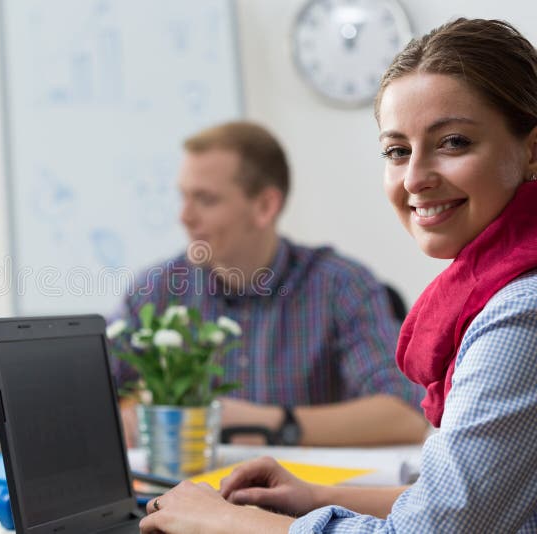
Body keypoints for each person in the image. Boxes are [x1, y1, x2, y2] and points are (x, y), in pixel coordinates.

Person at [138, 18, 537, 533]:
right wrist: (314, 497)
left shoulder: (519, 311)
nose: (414, 177)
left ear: (530, 149)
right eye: (397, 150)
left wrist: (220, 522)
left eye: (454, 142)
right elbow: (457, 504)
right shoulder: (491, 291)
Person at [113, 120, 427, 447]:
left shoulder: (341, 287)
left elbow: (405, 414)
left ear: (264, 206)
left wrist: (267, 423)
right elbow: (90, 392)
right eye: (184, 197)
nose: (184, 217)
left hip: (305, 492)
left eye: (205, 199)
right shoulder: (157, 289)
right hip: (182, 491)